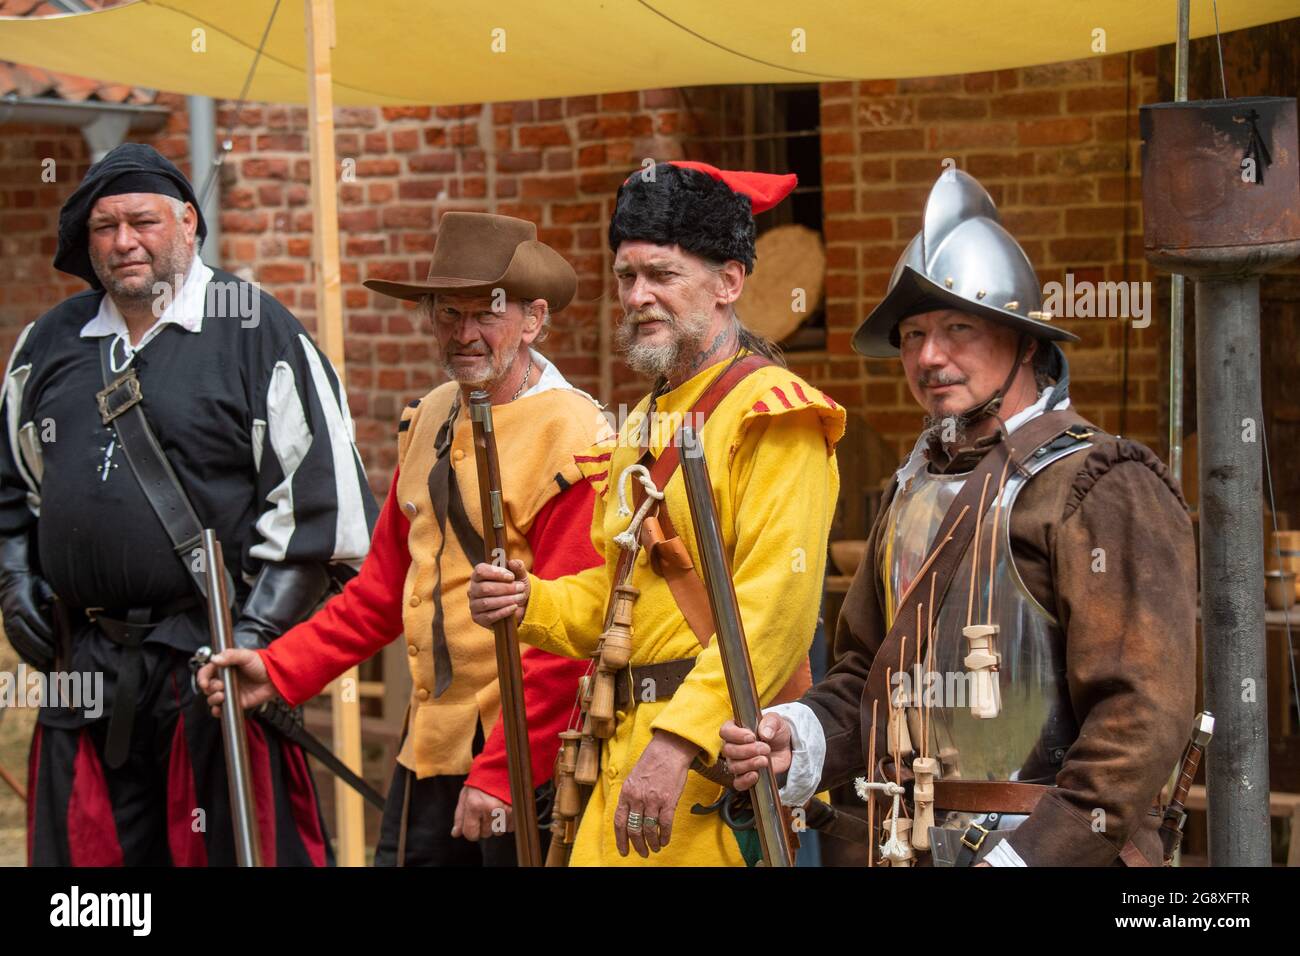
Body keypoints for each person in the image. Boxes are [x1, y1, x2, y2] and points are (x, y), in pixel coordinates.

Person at [719, 170, 1196, 867]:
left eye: (958, 329)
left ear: (1025, 343)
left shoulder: (1104, 484)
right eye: (912, 335)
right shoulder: (913, 486)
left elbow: (1138, 721)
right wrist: (804, 737)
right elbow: (866, 675)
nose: (927, 357)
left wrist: (1025, 859)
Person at [0, 142, 376, 866]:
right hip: (86, 663)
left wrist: (255, 641)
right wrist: (15, 580)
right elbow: (9, 485)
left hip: (210, 670)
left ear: (188, 223)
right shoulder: (48, 342)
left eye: (142, 221)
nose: (124, 242)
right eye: (105, 228)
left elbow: (319, 512)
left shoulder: (257, 332)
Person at [201, 211, 607, 865]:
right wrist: (279, 670)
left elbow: (571, 640)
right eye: (448, 314)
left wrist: (502, 771)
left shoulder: (578, 436)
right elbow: (385, 588)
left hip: (530, 760)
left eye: (486, 314)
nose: (464, 334)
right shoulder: (431, 417)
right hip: (431, 747)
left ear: (533, 319)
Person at [469, 161, 846, 865]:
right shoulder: (641, 423)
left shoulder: (776, 413)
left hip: (709, 766)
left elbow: (776, 606)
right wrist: (531, 601)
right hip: (621, 760)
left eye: (662, 274)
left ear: (728, 283)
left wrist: (679, 741)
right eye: (625, 276)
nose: (638, 295)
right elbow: (615, 598)